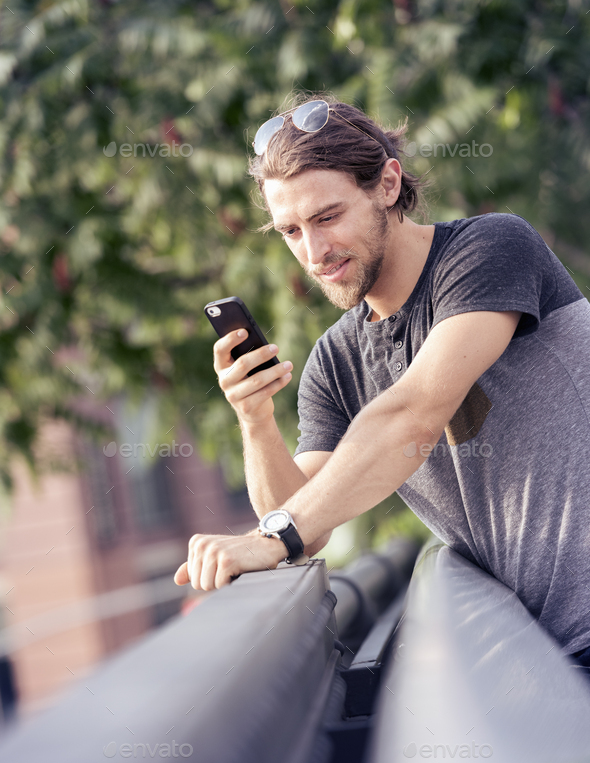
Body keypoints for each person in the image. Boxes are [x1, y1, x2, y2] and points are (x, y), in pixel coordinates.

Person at [174, 94, 590, 666]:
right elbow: (306, 522)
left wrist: (271, 537)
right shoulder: (336, 362)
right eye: (291, 231)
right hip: (550, 661)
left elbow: (415, 410)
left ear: (387, 184)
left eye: (327, 217)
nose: (314, 252)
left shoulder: (490, 248)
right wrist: (256, 420)